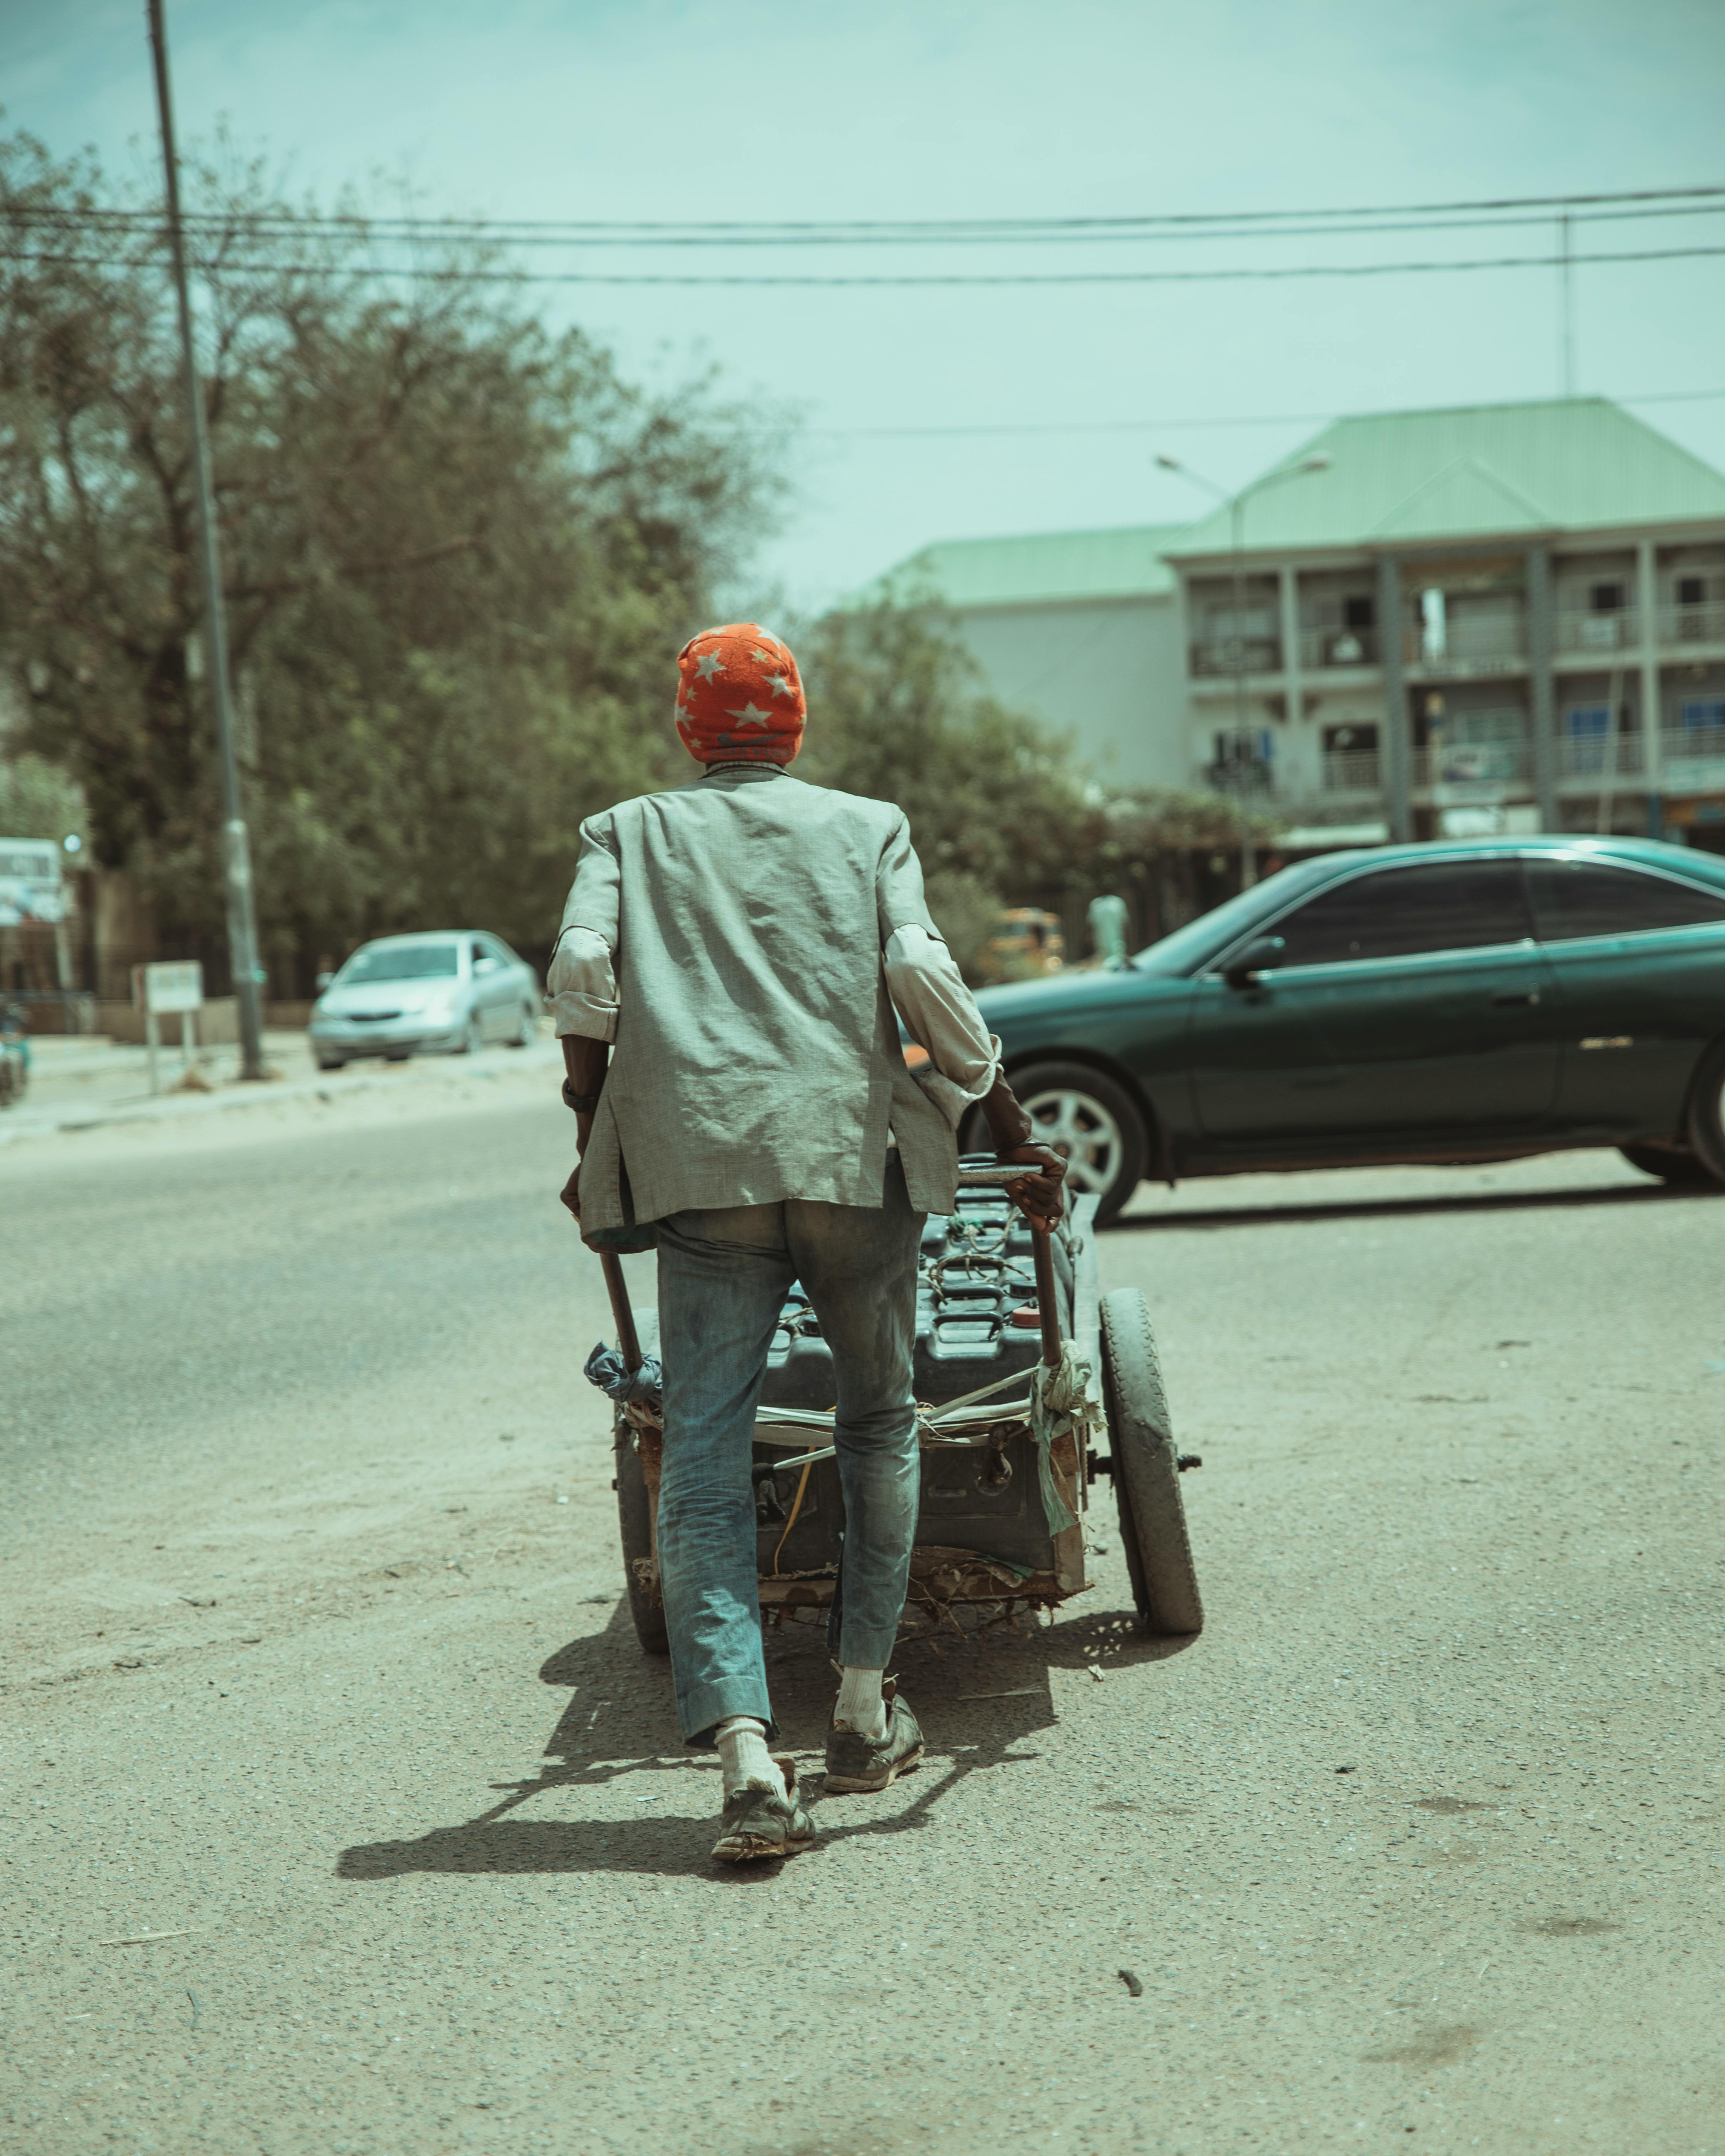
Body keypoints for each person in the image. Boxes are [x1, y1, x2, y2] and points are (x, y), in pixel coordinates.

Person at [550, 622, 1064, 1865]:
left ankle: (742, 1758)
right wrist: (1008, 1114)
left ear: (689, 729)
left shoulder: (626, 833)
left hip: (703, 1175)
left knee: (708, 1457)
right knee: (879, 1419)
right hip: (852, 1165)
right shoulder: (868, 826)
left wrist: (591, 1137)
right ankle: (859, 1708)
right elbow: (921, 976)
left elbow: (581, 971)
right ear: (795, 727)